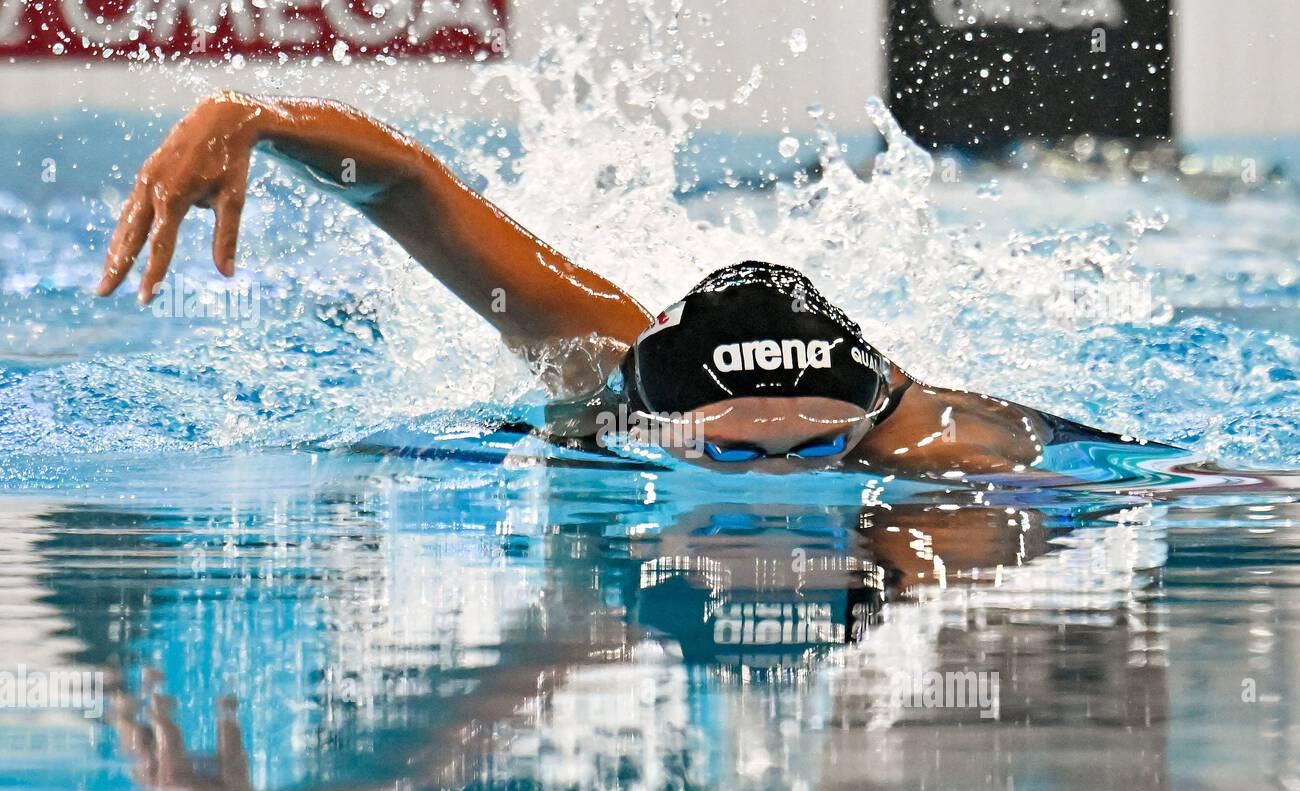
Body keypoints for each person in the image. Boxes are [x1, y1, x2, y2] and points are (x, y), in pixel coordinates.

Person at [96, 91, 1168, 478]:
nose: (784, 486)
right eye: (737, 451)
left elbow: (1182, 481)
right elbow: (408, 183)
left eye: (816, 449)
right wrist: (243, 117)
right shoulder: (596, 362)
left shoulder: (912, 432)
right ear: (657, 418)